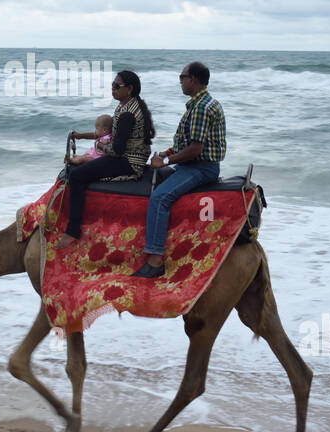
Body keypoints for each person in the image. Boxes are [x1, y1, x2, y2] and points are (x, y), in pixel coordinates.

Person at [133, 61, 226, 278]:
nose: (180, 81)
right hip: (195, 163)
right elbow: (189, 140)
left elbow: (195, 149)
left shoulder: (201, 108)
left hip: (200, 167)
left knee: (159, 198)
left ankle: (155, 260)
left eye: (182, 77)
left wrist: (165, 163)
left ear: (193, 79)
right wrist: (167, 152)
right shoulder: (202, 103)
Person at [57, 70, 155, 247]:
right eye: (112, 85)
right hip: (127, 156)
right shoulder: (129, 105)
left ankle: (72, 230)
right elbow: (111, 136)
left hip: (128, 161)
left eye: (117, 86)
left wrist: (100, 146)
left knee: (77, 176)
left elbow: (117, 150)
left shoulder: (127, 113)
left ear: (130, 89)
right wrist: (80, 136)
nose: (113, 89)